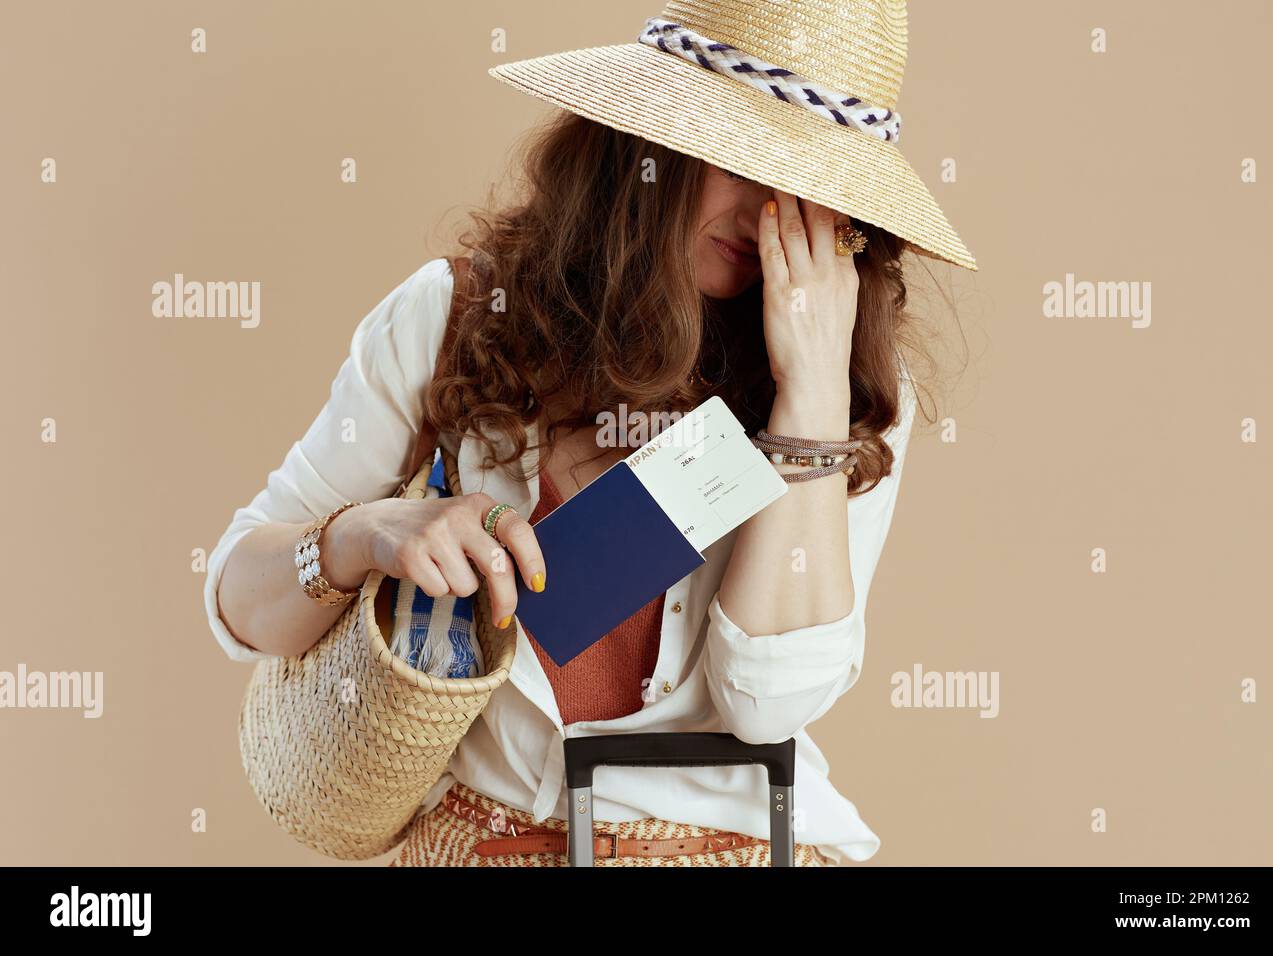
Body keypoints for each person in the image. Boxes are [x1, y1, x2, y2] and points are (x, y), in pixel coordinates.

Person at [203, 0, 978, 866]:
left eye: (809, 188)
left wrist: (809, 396)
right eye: (744, 158)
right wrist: (363, 536)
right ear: (651, 140)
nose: (769, 211)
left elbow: (770, 702)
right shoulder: (455, 316)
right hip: (478, 846)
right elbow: (242, 600)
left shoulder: (856, 390)